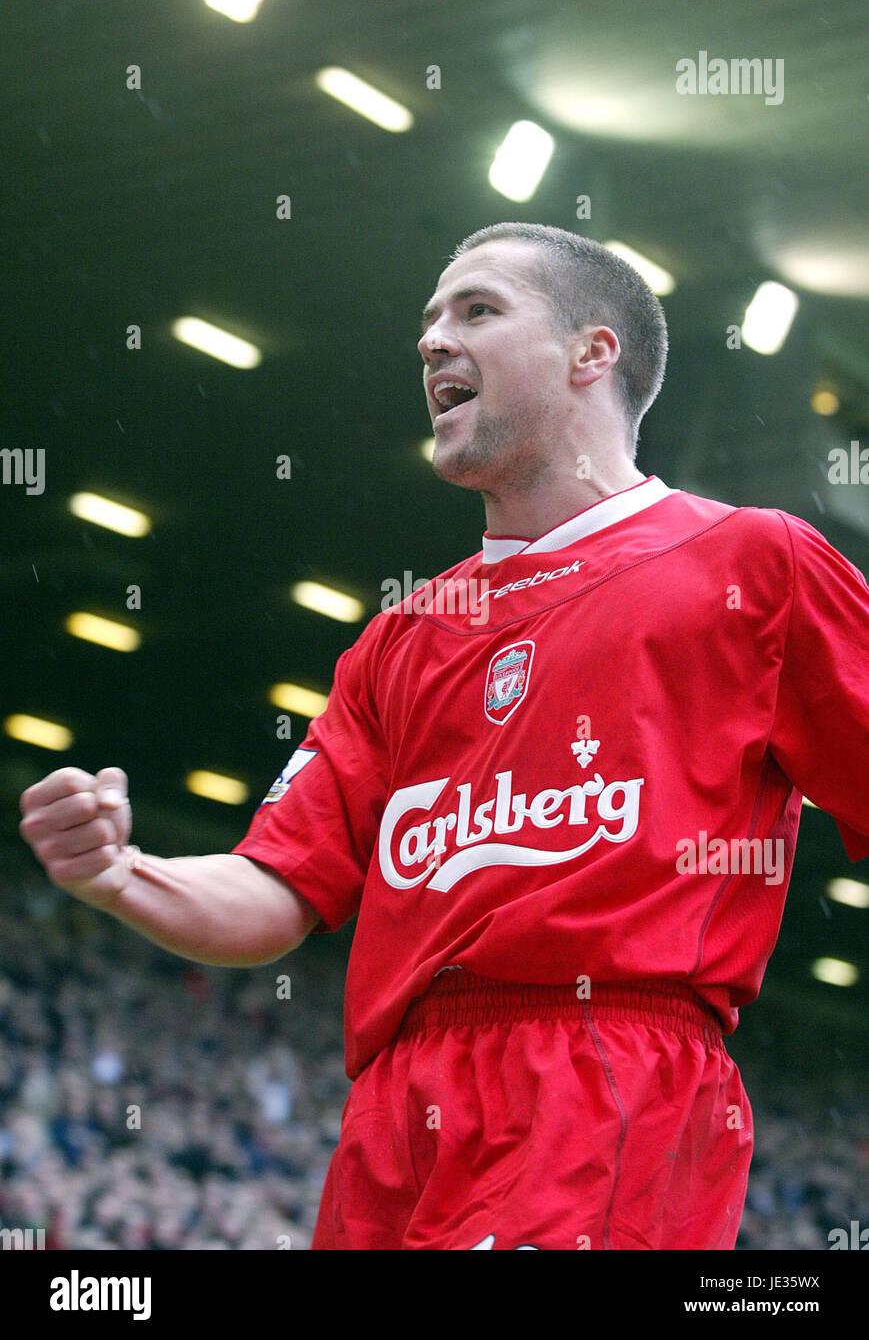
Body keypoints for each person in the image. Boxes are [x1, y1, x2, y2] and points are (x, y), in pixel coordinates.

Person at [19, 223, 869, 1251]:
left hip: (602, 1084)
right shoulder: (398, 639)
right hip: (392, 1118)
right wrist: (120, 872)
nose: (430, 341)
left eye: (476, 310)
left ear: (590, 353)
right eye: (426, 320)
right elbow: (274, 894)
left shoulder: (752, 563)